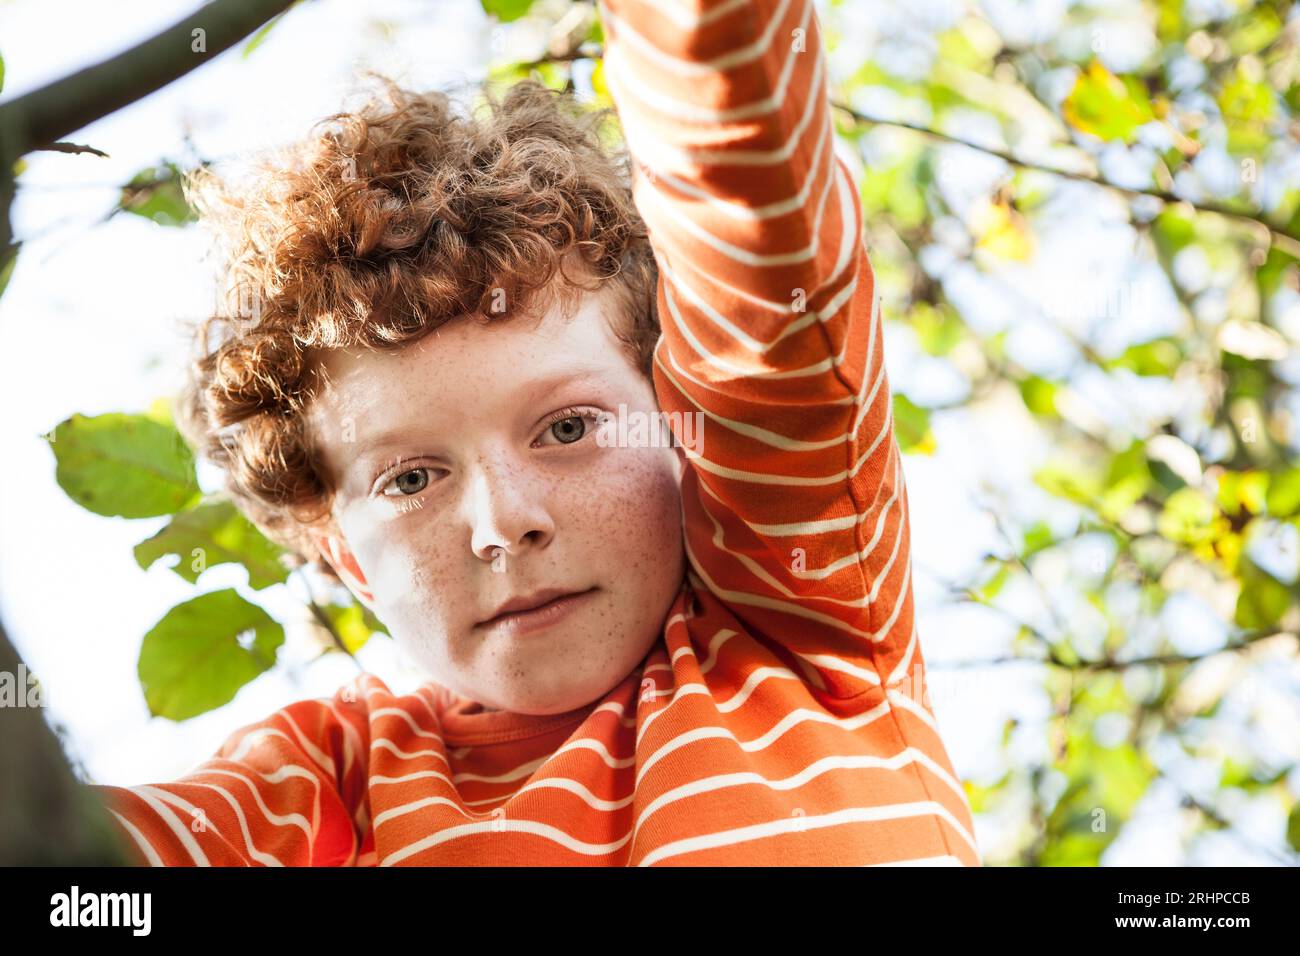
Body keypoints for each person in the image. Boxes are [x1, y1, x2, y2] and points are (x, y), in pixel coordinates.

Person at [91, 0, 981, 866]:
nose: (504, 523)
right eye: (409, 480)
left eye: (566, 427)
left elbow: (749, 208)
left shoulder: (803, 623)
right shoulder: (328, 781)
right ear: (349, 562)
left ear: (681, 425)